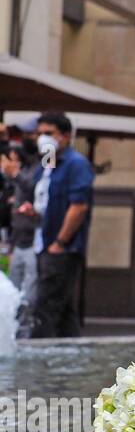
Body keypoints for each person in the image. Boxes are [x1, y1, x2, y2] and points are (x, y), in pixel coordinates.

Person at [31, 112, 94, 339]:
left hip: (61, 248)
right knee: (63, 309)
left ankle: (40, 360)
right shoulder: (47, 163)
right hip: (43, 242)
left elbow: (78, 207)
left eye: (48, 133)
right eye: (38, 134)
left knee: (45, 307)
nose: (42, 138)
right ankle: (72, 361)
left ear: (65, 136)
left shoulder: (76, 164)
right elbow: (42, 196)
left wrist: (60, 242)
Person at [1, 142, 41, 336]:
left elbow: (34, 188)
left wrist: (16, 175)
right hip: (18, 240)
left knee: (30, 291)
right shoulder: (14, 179)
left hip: (33, 240)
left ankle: (27, 328)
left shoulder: (37, 169)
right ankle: (15, 329)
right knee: (13, 288)